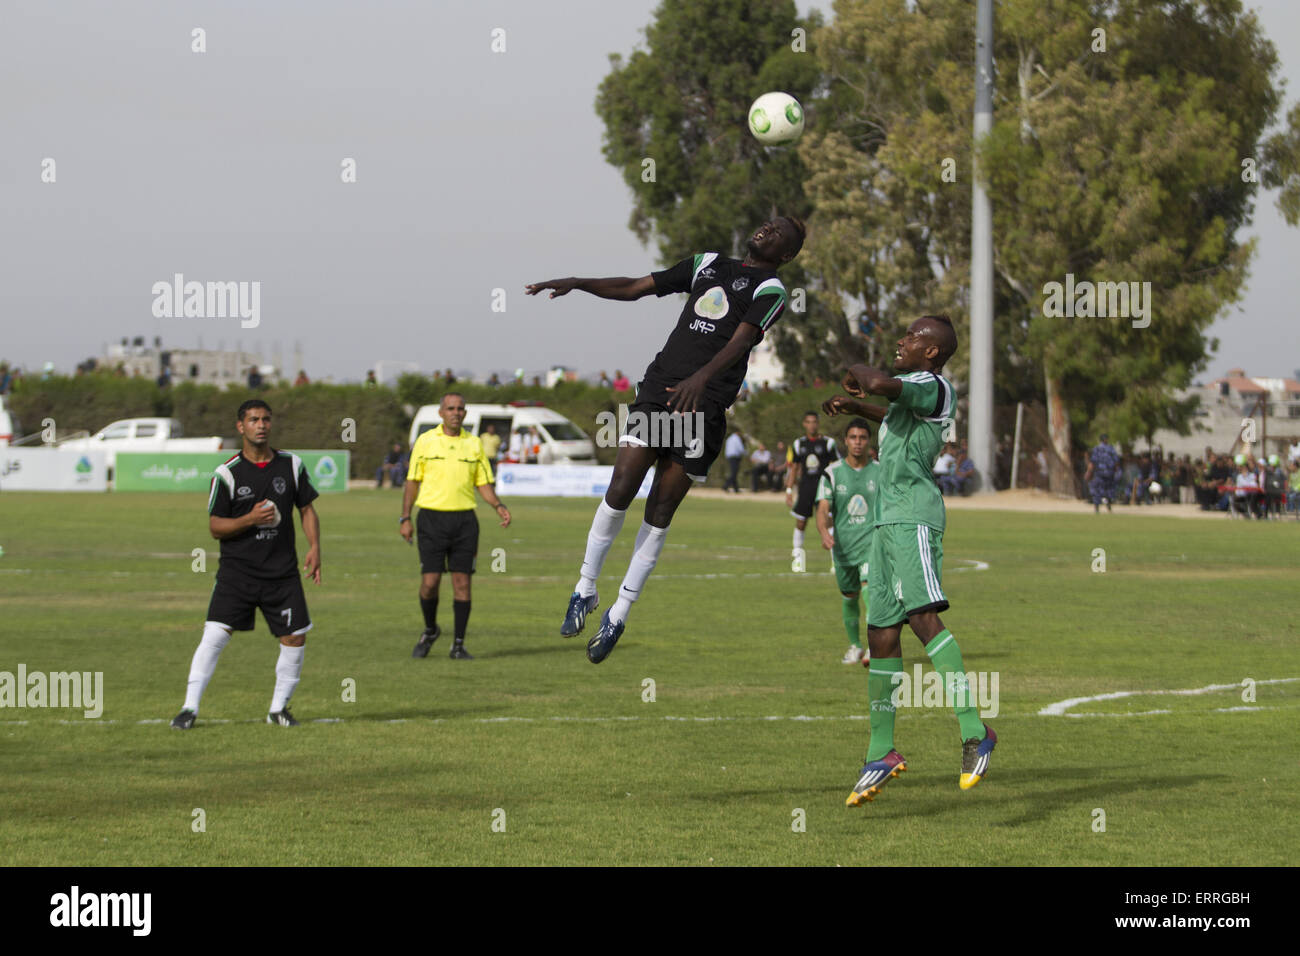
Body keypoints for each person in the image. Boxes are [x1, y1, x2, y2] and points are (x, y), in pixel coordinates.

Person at [527, 215, 805, 662]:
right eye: (768, 225)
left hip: (704, 406)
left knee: (659, 512)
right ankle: (585, 588)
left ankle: (618, 613)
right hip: (660, 391)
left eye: (779, 235)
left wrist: (703, 378)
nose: (767, 231)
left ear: (786, 256)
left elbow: (742, 341)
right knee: (621, 487)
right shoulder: (708, 264)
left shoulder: (771, 291)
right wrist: (579, 282)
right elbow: (636, 287)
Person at [823, 314, 996, 804]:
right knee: (881, 634)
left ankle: (974, 729)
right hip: (885, 521)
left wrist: (853, 369)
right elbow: (888, 410)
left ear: (932, 352)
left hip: (913, 517)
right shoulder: (916, 395)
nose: (902, 341)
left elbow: (879, 381)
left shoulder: (933, 384)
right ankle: (883, 750)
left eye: (912, 337)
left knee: (922, 618)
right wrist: (855, 403)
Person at [170, 399, 322, 729]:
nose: (261, 424)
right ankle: (189, 708)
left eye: (266, 419)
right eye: (254, 419)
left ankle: (278, 709)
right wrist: (251, 519)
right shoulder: (227, 474)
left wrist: (315, 547)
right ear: (241, 426)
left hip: (282, 574)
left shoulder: (291, 465)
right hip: (237, 573)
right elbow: (215, 527)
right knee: (214, 636)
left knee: (295, 637)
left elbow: (307, 509)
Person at [400, 393, 511, 660]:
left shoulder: (474, 444)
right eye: (450, 408)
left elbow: (483, 483)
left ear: (465, 413)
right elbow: (412, 482)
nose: (456, 412)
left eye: (460, 408)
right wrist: (404, 517)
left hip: (464, 522)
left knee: (462, 583)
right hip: (430, 519)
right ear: (441, 413)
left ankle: (458, 645)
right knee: (430, 583)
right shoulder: (425, 442)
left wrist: (498, 505)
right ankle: (430, 630)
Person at [814, 418, 881, 665]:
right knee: (849, 596)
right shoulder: (832, 473)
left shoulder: (880, 471)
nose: (858, 442)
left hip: (872, 545)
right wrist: (823, 531)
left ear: (869, 441)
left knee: (870, 588)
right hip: (843, 547)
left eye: (862, 438)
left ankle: (875, 646)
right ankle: (855, 646)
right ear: (845, 440)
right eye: (853, 437)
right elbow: (822, 509)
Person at [785, 411, 839, 560]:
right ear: (804, 424)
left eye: (814, 422)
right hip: (805, 488)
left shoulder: (828, 443)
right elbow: (794, 468)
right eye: (808, 422)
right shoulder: (798, 443)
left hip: (824, 489)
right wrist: (789, 490)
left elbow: (836, 466)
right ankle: (798, 558)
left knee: (829, 523)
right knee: (801, 523)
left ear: (818, 423)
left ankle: (835, 561)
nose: (812, 425)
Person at [1084, 435, 1121, 512]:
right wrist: (1117, 471)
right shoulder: (1111, 449)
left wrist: (1088, 472)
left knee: (1097, 489)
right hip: (1109, 473)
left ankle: (1097, 507)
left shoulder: (1097, 449)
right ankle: (1108, 505)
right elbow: (1116, 462)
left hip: (1099, 473)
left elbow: (1092, 462)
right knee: (1109, 489)